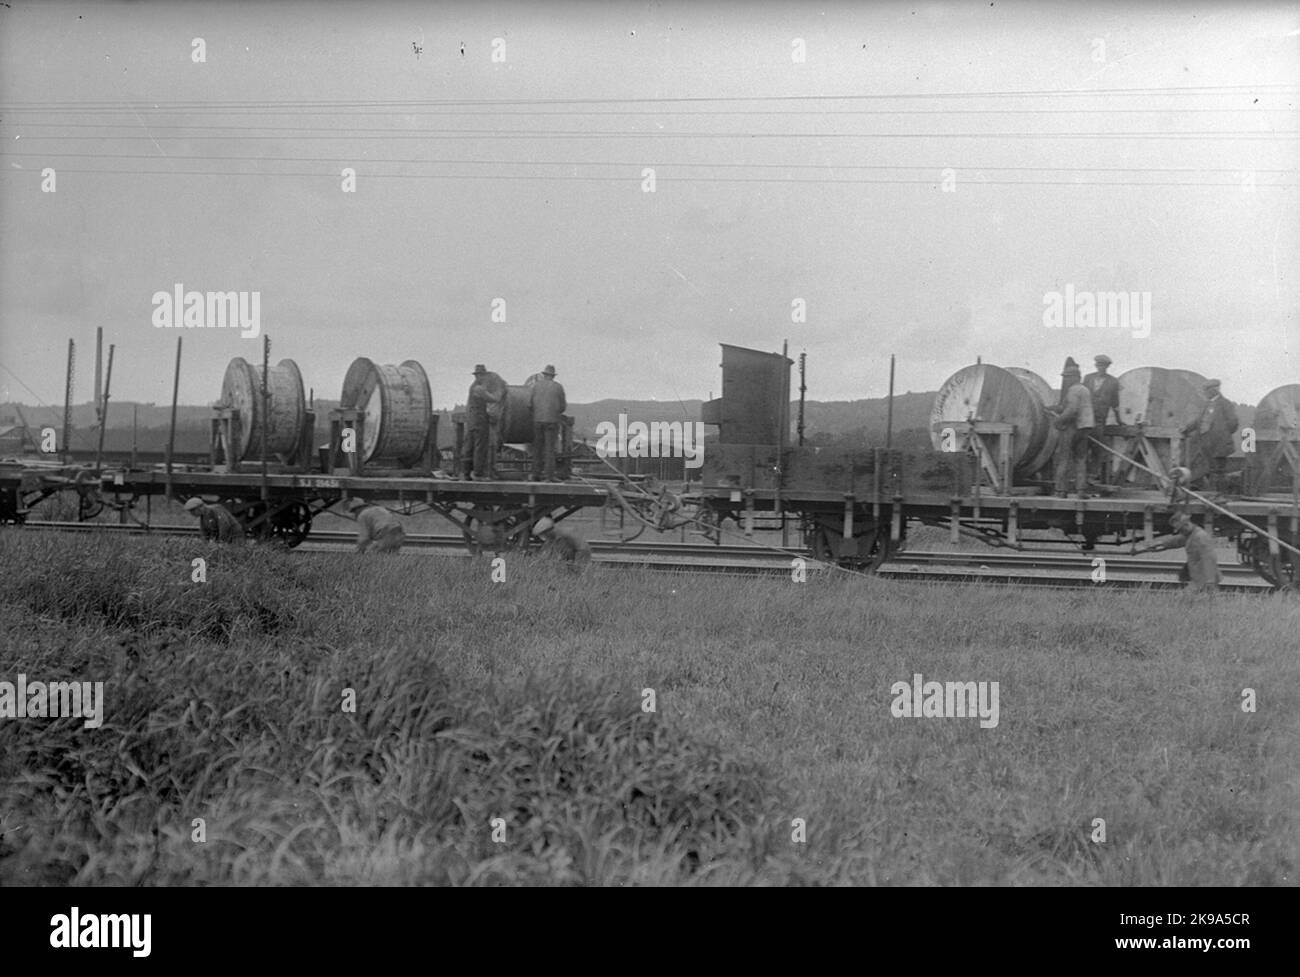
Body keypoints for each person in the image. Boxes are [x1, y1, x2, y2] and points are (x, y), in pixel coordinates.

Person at [1134, 511, 1221, 594]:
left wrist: (1210, 581)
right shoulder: (1191, 534)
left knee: (1185, 599)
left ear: (1186, 525)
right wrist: (1161, 543)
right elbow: (1178, 540)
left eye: (1180, 529)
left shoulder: (1200, 537)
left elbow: (1210, 558)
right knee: (1192, 600)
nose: (1180, 532)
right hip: (1198, 577)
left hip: (1204, 579)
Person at [1182, 379, 1239, 494]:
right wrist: (1186, 428)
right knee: (1212, 469)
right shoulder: (1207, 404)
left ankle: (1220, 495)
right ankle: (1213, 494)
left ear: (1214, 390)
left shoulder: (1225, 404)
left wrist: (1222, 434)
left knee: (1219, 470)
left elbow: (1233, 423)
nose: (1204, 393)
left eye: (1206, 390)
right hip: (1207, 443)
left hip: (1220, 443)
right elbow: (1199, 421)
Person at [1048, 358, 1095, 498]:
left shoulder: (1073, 390)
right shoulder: (1085, 389)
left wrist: (1058, 420)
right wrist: (1052, 408)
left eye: (1067, 377)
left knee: (1063, 458)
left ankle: (1060, 491)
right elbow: (1068, 407)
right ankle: (1081, 491)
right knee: (1081, 459)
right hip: (1084, 428)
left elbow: (1072, 410)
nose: (1065, 380)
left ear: (1075, 377)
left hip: (1072, 428)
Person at [463, 364, 507, 480]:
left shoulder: (473, 386)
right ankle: (478, 473)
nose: (484, 378)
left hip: (472, 420)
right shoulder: (479, 388)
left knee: (470, 446)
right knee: (480, 447)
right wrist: (501, 391)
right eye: (482, 375)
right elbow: (494, 398)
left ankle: (466, 473)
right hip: (479, 420)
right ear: (479, 376)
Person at [1083, 354, 1121, 482]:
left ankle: (1092, 475)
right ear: (1096, 365)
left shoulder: (1113, 382)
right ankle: (1082, 476)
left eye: (1103, 366)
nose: (1101, 368)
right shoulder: (1088, 379)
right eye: (1099, 365)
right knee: (1082, 446)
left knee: (1096, 447)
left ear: (1107, 367)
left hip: (1100, 419)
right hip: (1085, 417)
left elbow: (1115, 403)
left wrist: (1119, 420)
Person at [529, 364, 567, 482]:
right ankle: (549, 476)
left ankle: (536, 474)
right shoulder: (558, 387)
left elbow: (530, 405)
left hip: (538, 421)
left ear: (544, 375)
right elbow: (563, 406)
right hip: (552, 421)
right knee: (550, 449)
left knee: (537, 448)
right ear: (553, 376)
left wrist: (537, 413)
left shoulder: (535, 386)